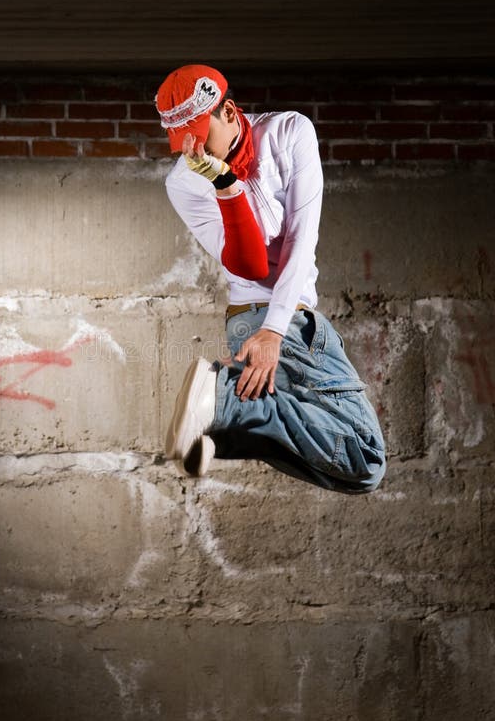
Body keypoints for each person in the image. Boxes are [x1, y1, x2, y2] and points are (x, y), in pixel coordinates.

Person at [154, 64, 386, 493]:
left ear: (229, 111)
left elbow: (301, 240)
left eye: (199, 136)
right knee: (366, 455)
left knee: (355, 477)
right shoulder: (184, 182)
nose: (192, 151)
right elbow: (250, 266)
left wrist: (272, 331)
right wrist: (225, 185)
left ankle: (218, 430)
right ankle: (222, 401)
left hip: (273, 326)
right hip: (270, 324)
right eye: (182, 141)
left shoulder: (289, 133)